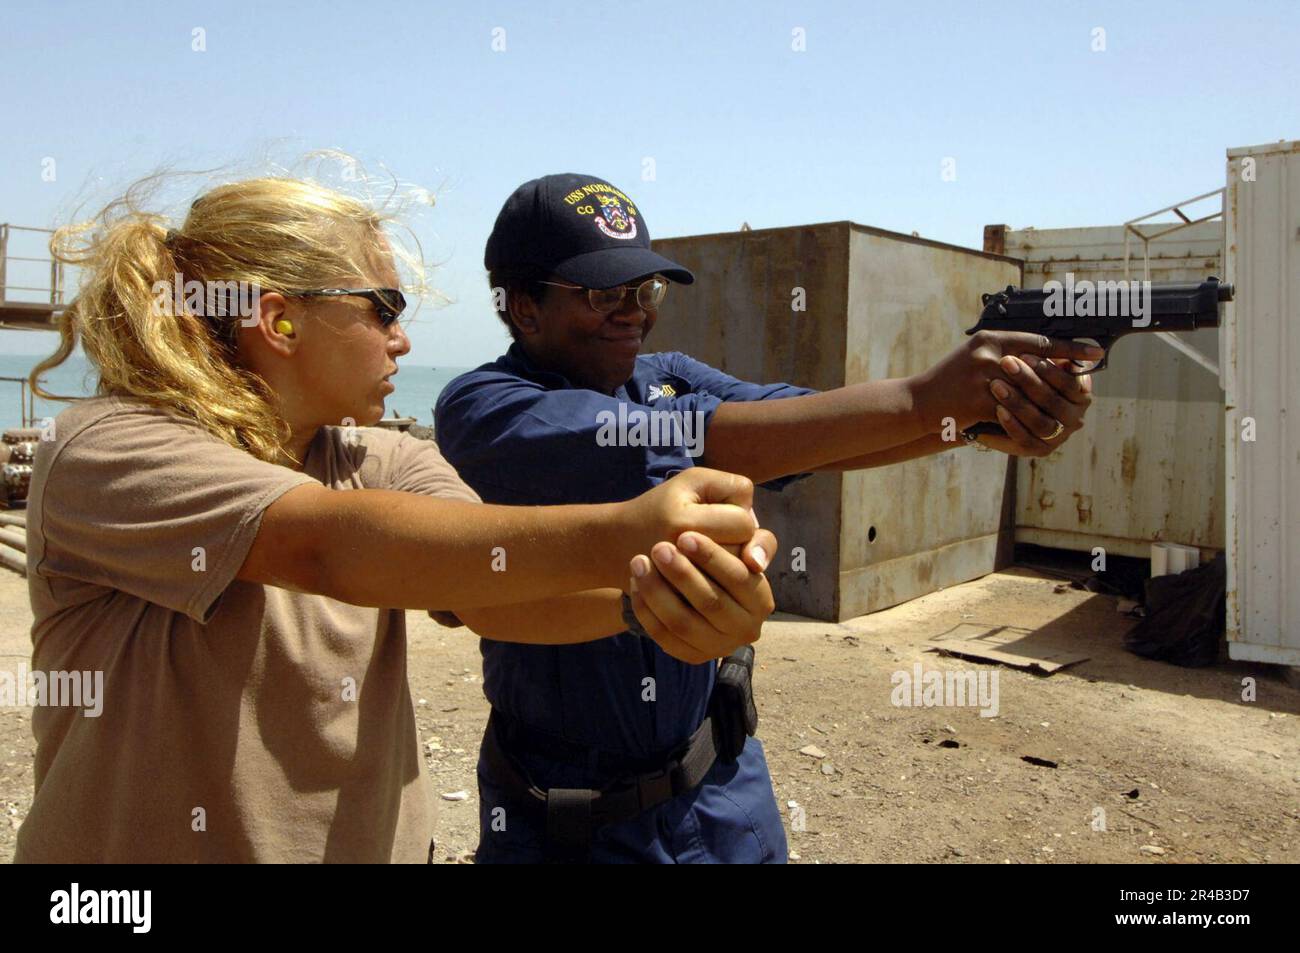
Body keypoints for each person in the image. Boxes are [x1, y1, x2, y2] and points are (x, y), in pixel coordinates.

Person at [15, 172, 777, 863]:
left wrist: (660, 597)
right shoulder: (109, 449)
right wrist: (625, 533)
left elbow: (488, 587)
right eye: (383, 310)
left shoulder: (378, 459)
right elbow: (321, 545)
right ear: (278, 321)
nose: (402, 340)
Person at [434, 173, 1097, 863]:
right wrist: (926, 399)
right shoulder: (485, 407)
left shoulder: (666, 374)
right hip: (566, 821)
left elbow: (805, 427)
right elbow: (700, 438)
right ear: (523, 307)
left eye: (644, 291)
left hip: (716, 789)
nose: (632, 311)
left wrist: (984, 417)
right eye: (604, 294)